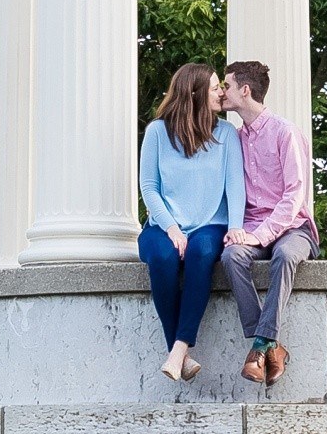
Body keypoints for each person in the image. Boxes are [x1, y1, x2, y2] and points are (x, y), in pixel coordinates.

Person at [136, 60, 245, 383]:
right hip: (163, 225)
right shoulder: (158, 132)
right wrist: (171, 228)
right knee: (162, 257)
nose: (221, 93)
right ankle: (180, 355)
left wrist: (236, 226)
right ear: (195, 94)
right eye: (214, 88)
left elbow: (234, 186)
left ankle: (178, 349)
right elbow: (149, 187)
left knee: (201, 253)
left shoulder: (226, 134)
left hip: (211, 224)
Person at [218, 57, 317, 385]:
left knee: (285, 255)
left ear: (245, 90)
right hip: (252, 226)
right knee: (232, 256)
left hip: (293, 227)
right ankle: (271, 346)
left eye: (227, 85)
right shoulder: (234, 137)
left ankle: (260, 346)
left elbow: (295, 196)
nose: (222, 91)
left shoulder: (285, 132)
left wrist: (260, 235)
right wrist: (243, 232)